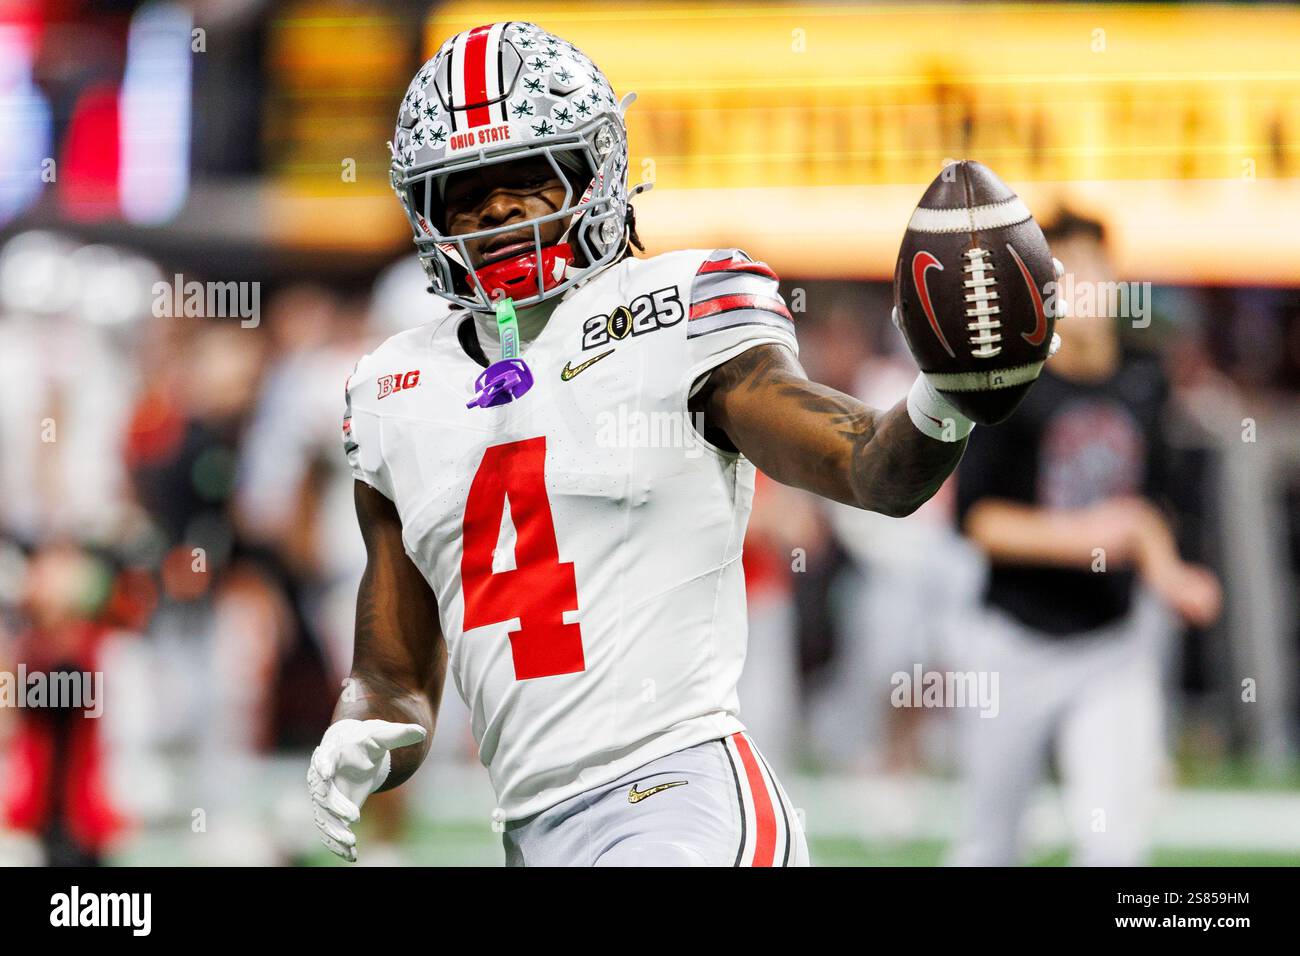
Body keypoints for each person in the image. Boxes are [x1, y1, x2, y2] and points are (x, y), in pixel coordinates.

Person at [307, 21, 1010, 867]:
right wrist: (365, 729)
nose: (495, 208)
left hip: (681, 799)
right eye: (463, 189)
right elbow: (393, 675)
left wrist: (945, 395)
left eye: (527, 176)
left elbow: (871, 467)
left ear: (594, 169)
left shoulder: (676, 311)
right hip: (533, 830)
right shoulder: (392, 392)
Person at [949, 209, 1222, 866]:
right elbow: (978, 521)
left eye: (1093, 270)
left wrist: (1169, 571)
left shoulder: (1145, 377)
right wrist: (1084, 536)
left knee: (1113, 845)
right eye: (1064, 274)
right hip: (1015, 641)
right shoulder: (1011, 379)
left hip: (1111, 644)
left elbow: (1149, 509)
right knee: (990, 844)